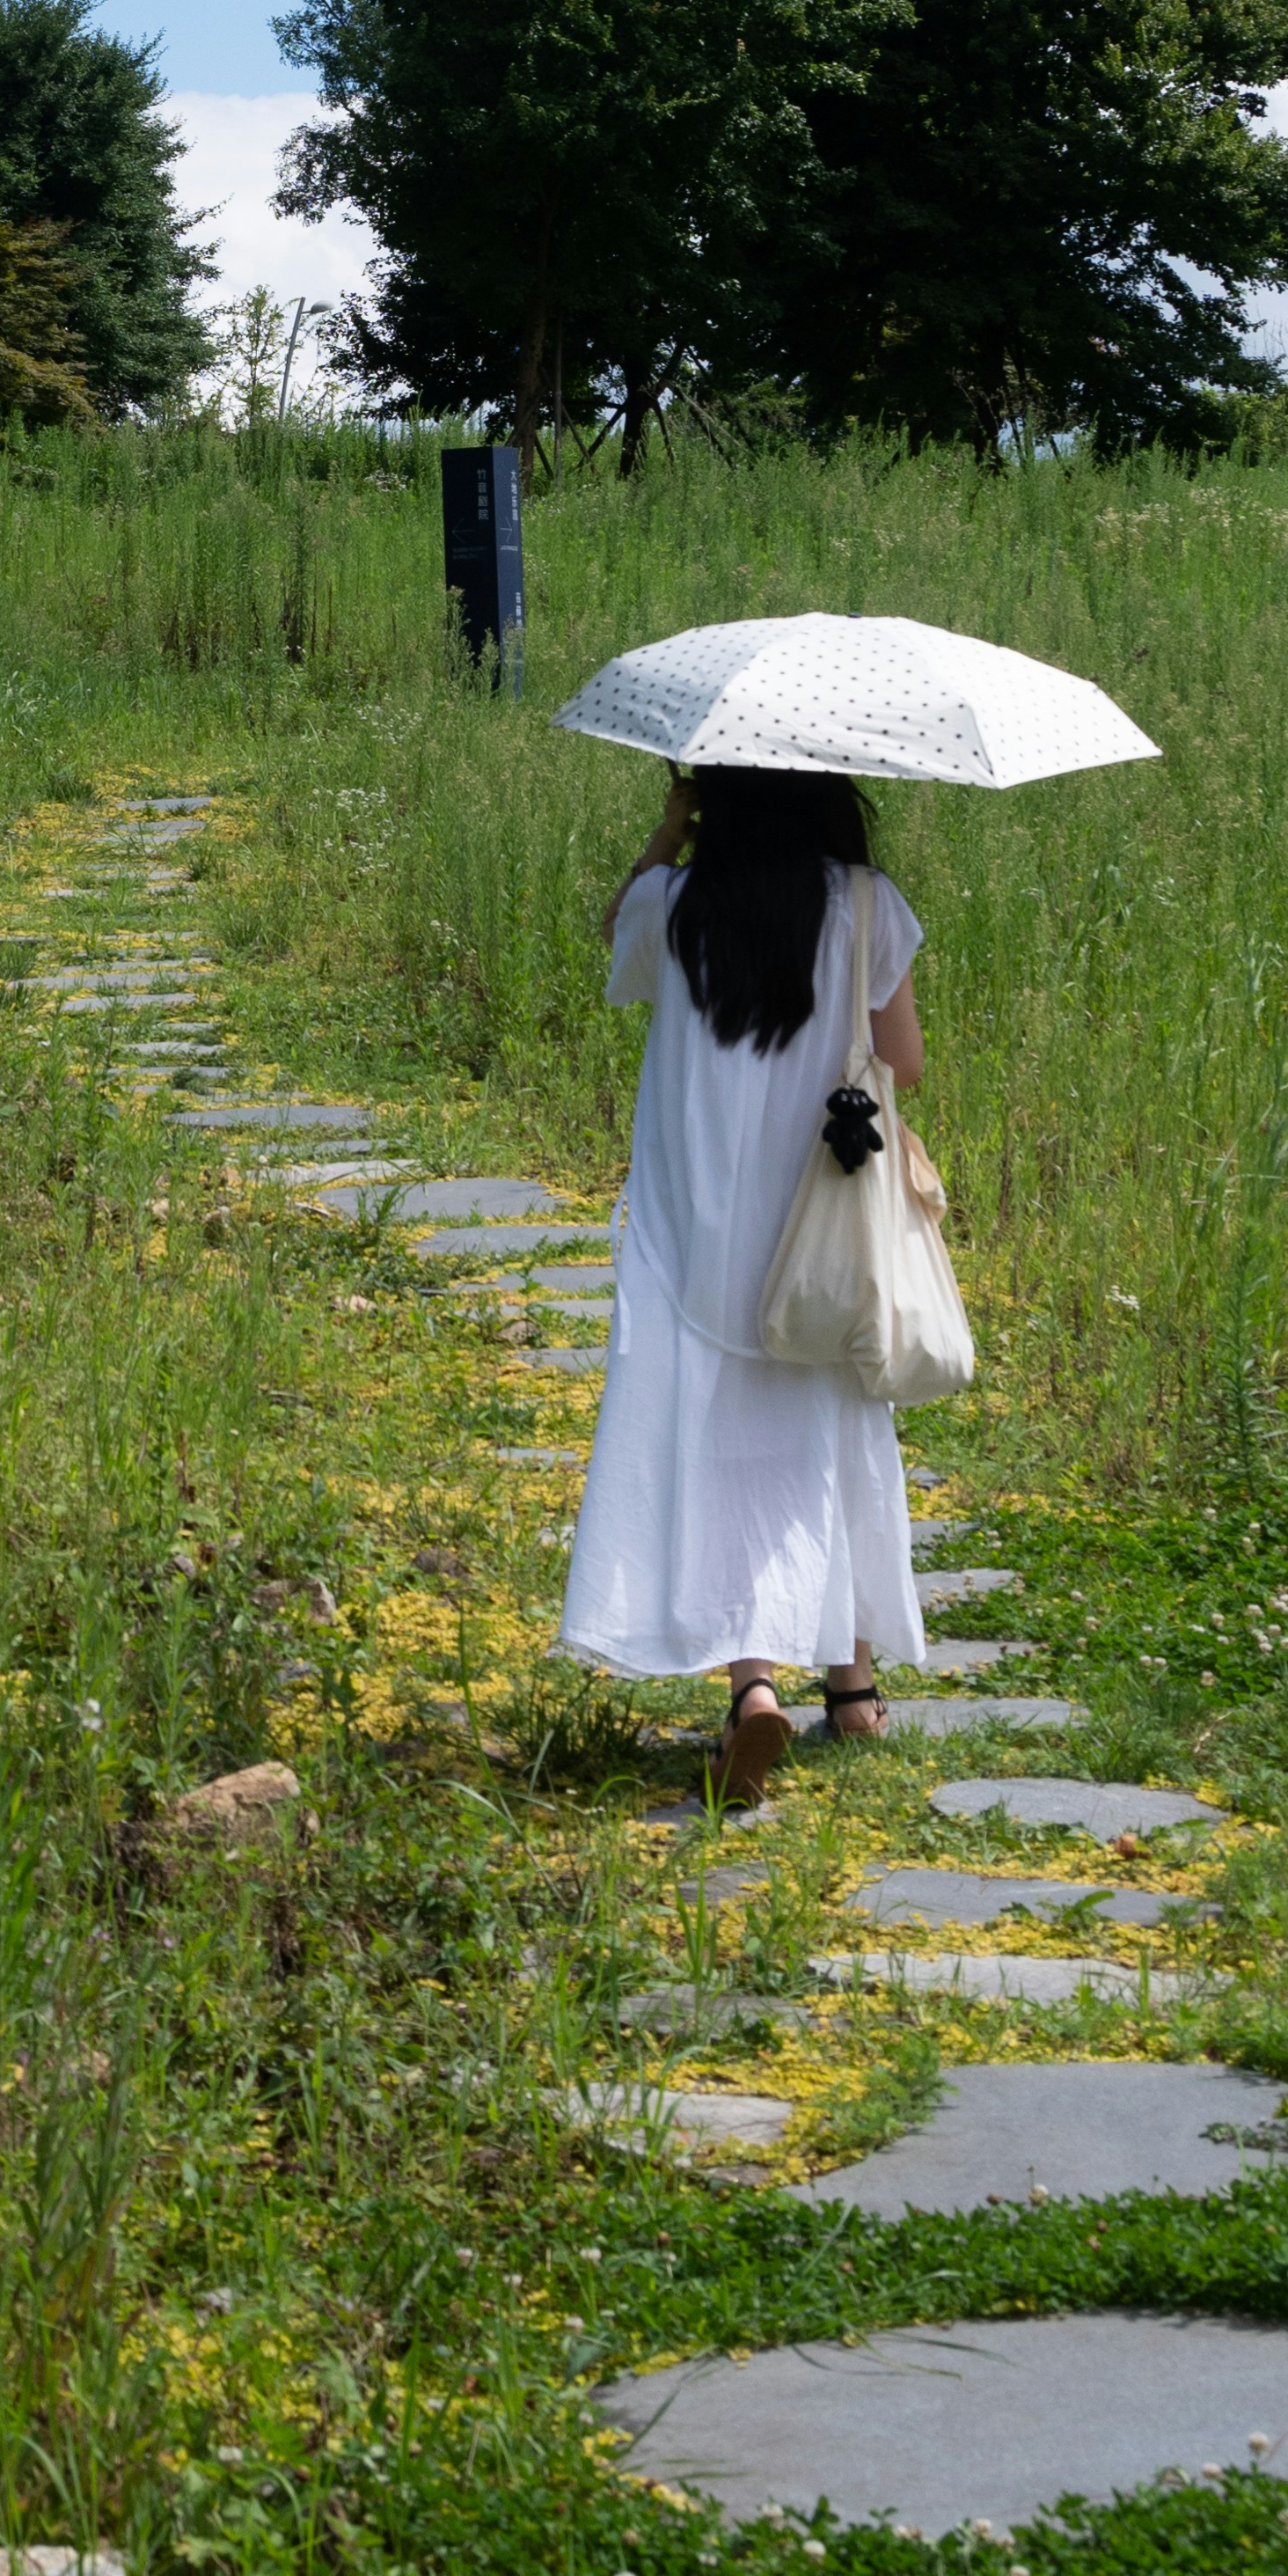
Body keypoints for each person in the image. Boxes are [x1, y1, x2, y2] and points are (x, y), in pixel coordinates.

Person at [557, 757, 928, 1798]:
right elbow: (901, 1063)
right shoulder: (865, 905)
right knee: (833, 1425)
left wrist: (669, 830)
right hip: (820, 1226)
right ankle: (851, 1690)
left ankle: (751, 1687)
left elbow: (616, 936)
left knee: (719, 1443)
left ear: (716, 791)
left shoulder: (674, 905)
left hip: (694, 1234)